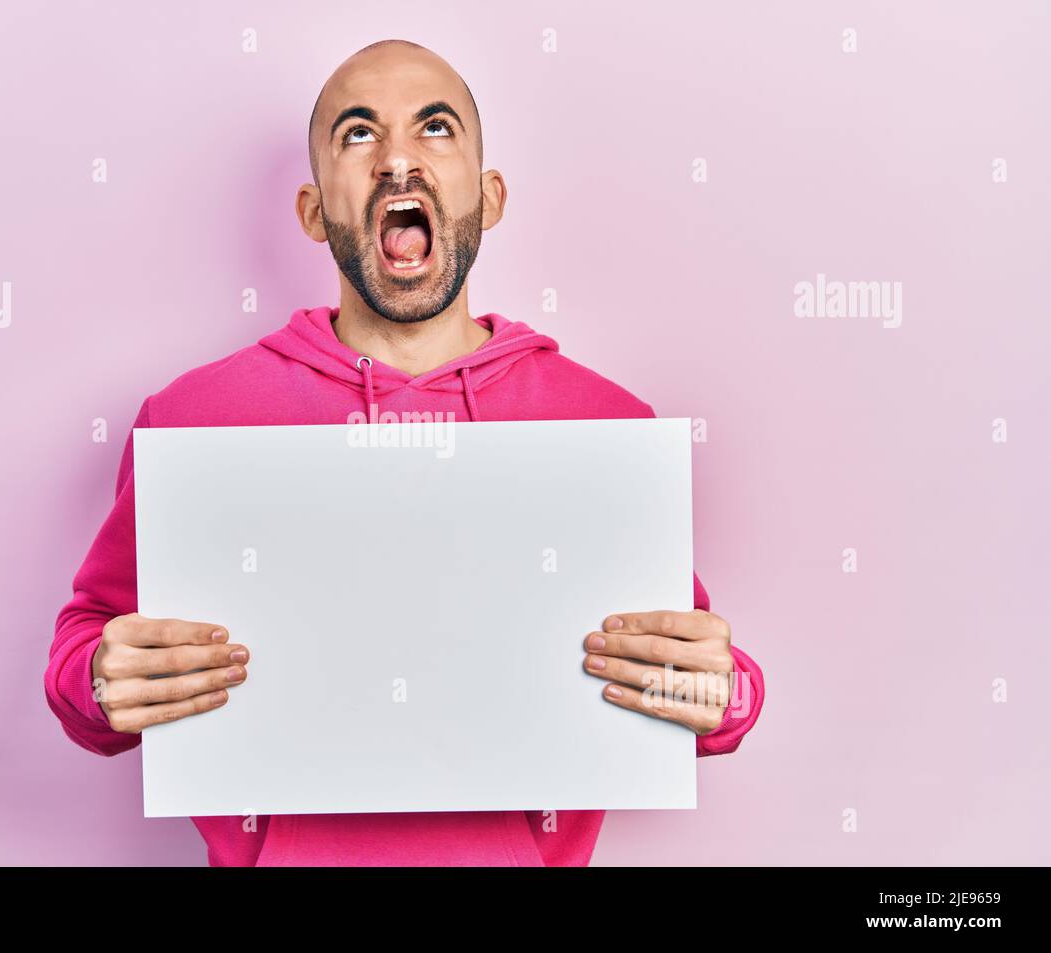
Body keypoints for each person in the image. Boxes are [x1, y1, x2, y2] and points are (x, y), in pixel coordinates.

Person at [45, 38, 764, 866]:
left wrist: (726, 692)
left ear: (489, 197)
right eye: (358, 134)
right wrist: (98, 681)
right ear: (315, 212)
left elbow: (704, 673)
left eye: (434, 129)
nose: (396, 162)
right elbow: (84, 649)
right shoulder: (192, 420)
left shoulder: (607, 428)